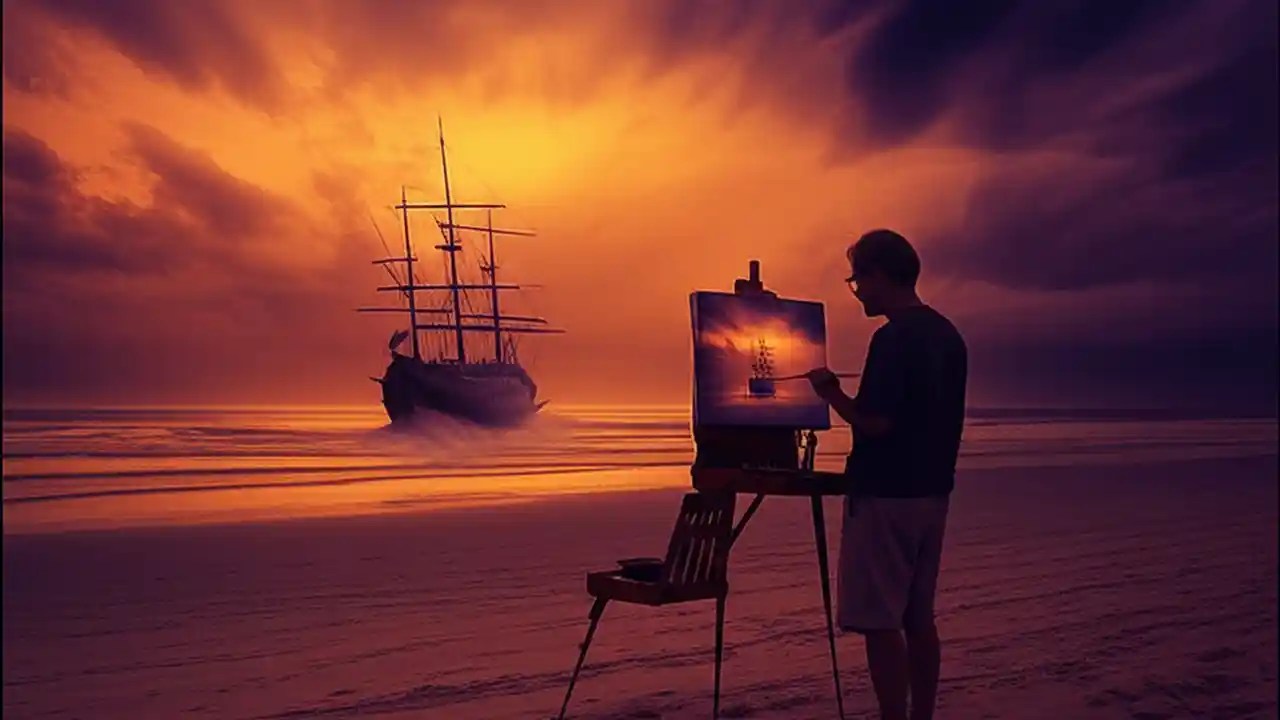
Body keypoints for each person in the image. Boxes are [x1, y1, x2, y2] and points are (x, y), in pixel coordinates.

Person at [806, 229, 967, 720]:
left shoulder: (894, 337)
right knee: (918, 616)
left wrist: (830, 393)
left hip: (886, 495)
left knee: (879, 622)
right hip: (932, 493)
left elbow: (876, 422)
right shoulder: (947, 334)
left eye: (858, 281)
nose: (857, 291)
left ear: (880, 275)